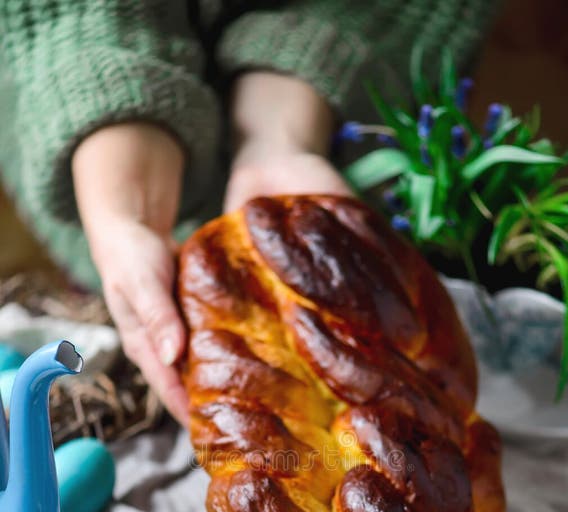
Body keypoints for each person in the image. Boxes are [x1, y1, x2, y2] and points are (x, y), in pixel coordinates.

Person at [0, 1, 500, 424]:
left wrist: (279, 139)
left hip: (332, 166)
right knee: (144, 320)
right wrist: (121, 205)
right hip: (105, 192)